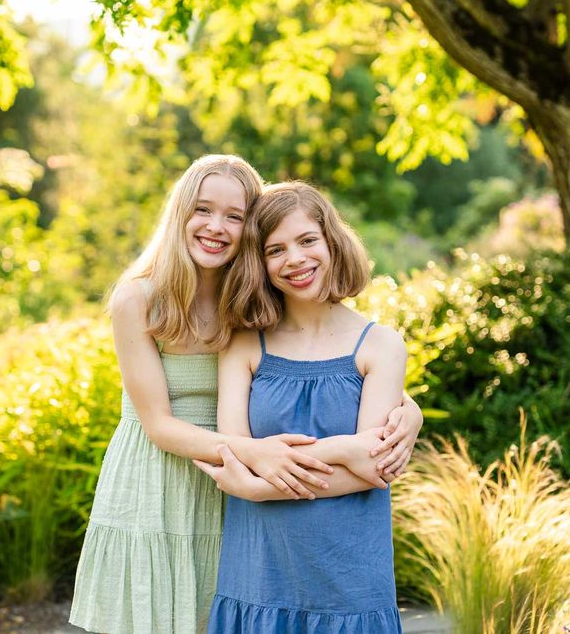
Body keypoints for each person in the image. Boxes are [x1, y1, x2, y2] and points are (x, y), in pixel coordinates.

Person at [69, 157, 421, 634]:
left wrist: (408, 411)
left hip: (246, 486)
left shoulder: (247, 308)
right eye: (203, 209)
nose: (216, 227)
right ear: (180, 212)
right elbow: (159, 424)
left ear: (249, 232)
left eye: (234, 216)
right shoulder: (143, 300)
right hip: (176, 473)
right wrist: (262, 460)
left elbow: (332, 373)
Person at [196, 181, 412, 633]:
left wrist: (260, 487)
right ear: (258, 263)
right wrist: (343, 449)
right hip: (258, 579)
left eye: (307, 240)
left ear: (332, 242)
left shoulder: (381, 346)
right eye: (275, 250)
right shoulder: (243, 345)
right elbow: (236, 456)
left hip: (349, 585)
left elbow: (370, 469)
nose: (295, 259)